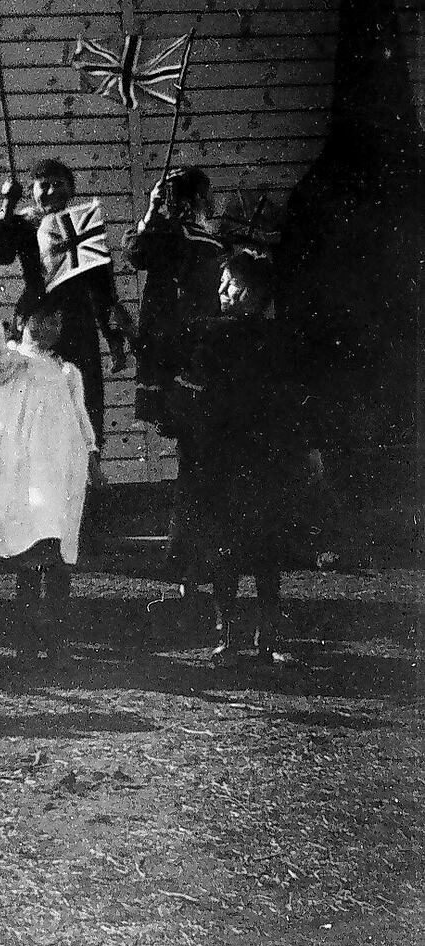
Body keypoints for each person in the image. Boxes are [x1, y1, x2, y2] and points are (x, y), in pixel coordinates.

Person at [164, 253, 324, 667]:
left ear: (250, 292)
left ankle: (248, 638)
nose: (221, 291)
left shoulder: (234, 338)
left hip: (246, 461)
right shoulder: (241, 337)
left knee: (246, 552)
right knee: (245, 553)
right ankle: (246, 637)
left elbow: (293, 401)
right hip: (241, 462)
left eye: (229, 284)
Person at [0, 284, 100, 664]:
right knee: (30, 554)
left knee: (56, 555)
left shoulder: (68, 371)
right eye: (41, 319)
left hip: (60, 471)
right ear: (22, 321)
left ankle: (57, 641)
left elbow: (81, 417)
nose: (49, 327)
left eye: (56, 320)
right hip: (26, 473)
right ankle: (25, 641)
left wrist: (92, 453)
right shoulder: (13, 363)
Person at [124, 166, 230, 622]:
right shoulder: (192, 242)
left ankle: (193, 574)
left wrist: (155, 215)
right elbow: (136, 253)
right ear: (193, 202)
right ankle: (192, 575)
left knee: (198, 472)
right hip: (185, 370)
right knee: (196, 470)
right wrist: (152, 210)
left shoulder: (185, 241)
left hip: (185, 370)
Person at [0, 159, 131, 446]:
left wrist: (112, 336)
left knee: (83, 396)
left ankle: (87, 471)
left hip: (78, 320)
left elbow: (101, 283)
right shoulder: (24, 223)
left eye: (58, 184)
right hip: (36, 318)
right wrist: (7, 204)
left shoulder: (83, 224)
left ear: (72, 190)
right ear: (31, 191)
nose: (50, 191)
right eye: (43, 185)